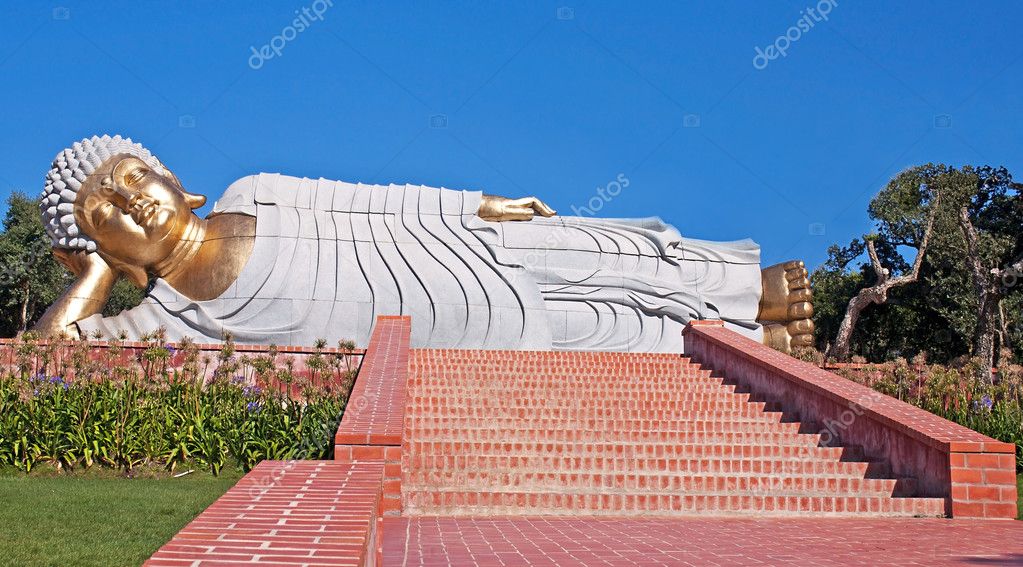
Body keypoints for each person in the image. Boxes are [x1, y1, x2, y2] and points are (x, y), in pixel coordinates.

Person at [35, 135, 813, 352]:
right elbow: (45, 356)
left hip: (430, 247)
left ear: (179, 179)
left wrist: (474, 203)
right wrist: (92, 277)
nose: (131, 197)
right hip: (451, 324)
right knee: (601, 330)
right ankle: (753, 339)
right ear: (98, 250)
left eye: (134, 174)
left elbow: (371, 203)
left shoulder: (255, 192)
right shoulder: (167, 321)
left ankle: (745, 285)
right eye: (105, 211)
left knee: (591, 249)